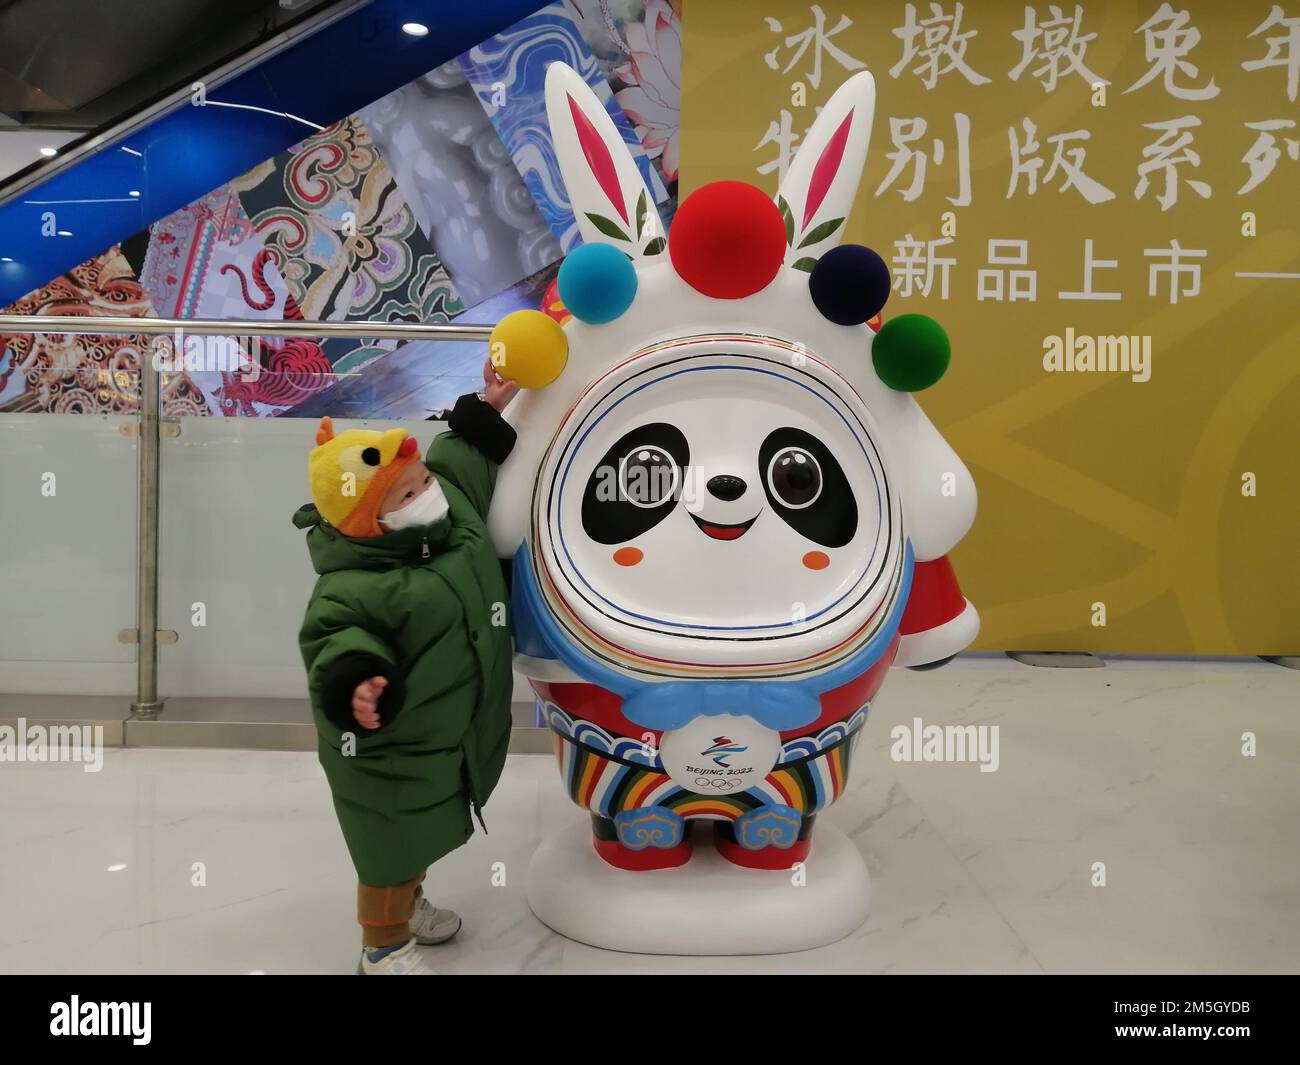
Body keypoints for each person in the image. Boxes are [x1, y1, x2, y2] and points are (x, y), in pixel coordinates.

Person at [294, 360, 517, 974]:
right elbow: (334, 639)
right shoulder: (354, 586)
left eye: (423, 481)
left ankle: (411, 904)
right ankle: (382, 944)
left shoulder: (456, 524)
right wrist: (356, 679)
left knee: (420, 830)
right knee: (388, 844)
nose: (428, 494)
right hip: (388, 743)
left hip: (442, 730)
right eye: (409, 492)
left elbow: (460, 458)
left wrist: (488, 408)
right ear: (369, 520)